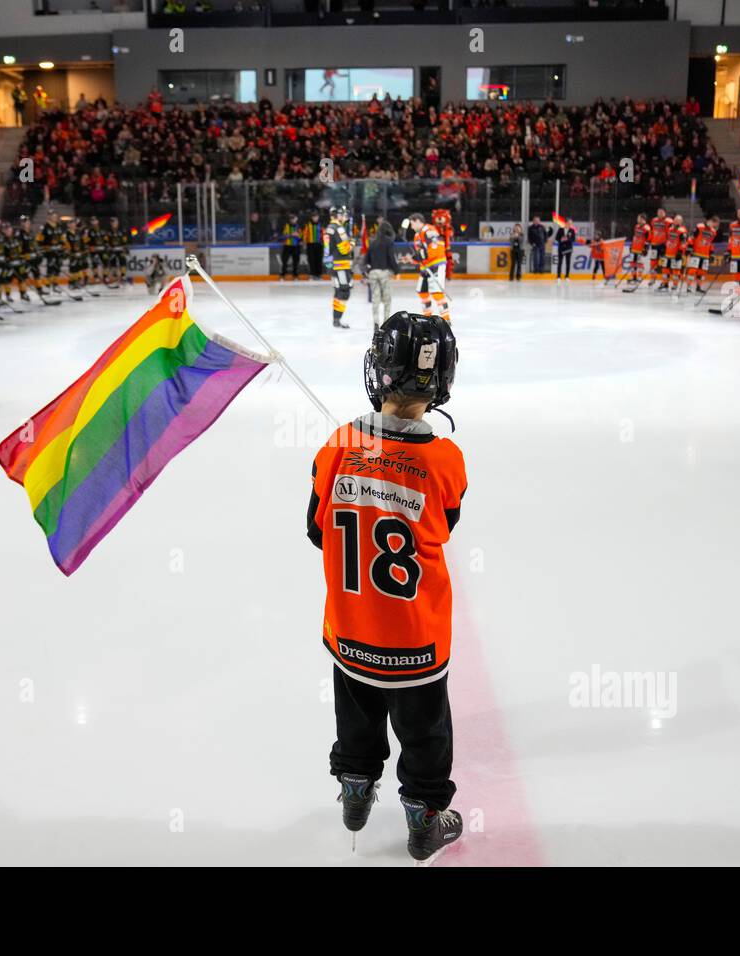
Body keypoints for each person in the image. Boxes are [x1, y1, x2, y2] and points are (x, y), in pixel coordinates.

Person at [307, 310, 465, 863]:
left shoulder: (337, 445)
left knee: (356, 717)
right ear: (442, 381)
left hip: (351, 629)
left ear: (380, 370)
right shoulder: (444, 459)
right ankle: (425, 817)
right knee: (425, 732)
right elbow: (444, 523)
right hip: (417, 639)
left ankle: (355, 785)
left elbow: (316, 532)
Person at [406, 213, 450, 321]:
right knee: (422, 291)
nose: (411, 227)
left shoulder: (430, 230)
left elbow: (435, 248)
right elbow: (420, 255)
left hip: (436, 265)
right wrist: (412, 259)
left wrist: (419, 257)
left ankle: (446, 319)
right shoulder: (417, 236)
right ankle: (427, 318)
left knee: (437, 293)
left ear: (417, 221)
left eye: (412, 224)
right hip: (425, 268)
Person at [363, 219, 400, 328]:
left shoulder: (372, 241)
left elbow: (366, 260)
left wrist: (366, 272)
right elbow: (391, 258)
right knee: (387, 299)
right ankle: (386, 323)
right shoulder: (389, 241)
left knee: (375, 298)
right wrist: (397, 270)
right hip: (384, 273)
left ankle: (375, 323)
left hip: (373, 273)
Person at [325, 206, 354, 329]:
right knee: (344, 291)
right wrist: (352, 242)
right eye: (343, 214)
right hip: (341, 265)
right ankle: (337, 319)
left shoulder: (329, 228)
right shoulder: (339, 228)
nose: (345, 217)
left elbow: (327, 250)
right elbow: (344, 249)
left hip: (333, 265)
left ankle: (336, 319)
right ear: (338, 215)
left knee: (338, 291)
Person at [302, 211, 326, 280]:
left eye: (316, 217)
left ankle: (319, 274)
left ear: (318, 217)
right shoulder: (308, 225)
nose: (315, 218)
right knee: (311, 260)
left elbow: (324, 234)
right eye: (314, 217)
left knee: (319, 259)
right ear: (312, 217)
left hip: (319, 244)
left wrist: (325, 242)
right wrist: (304, 243)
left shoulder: (321, 225)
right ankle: (312, 274)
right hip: (310, 244)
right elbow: (305, 234)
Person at [280, 214, 302, 280]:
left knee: (296, 261)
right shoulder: (286, 226)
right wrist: (291, 235)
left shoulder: (298, 226)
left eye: (294, 218)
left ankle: (295, 275)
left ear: (296, 219)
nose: (293, 220)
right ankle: (283, 275)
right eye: (291, 219)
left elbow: (301, 236)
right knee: (284, 261)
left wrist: (298, 237)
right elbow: (282, 236)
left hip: (296, 246)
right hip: (287, 246)